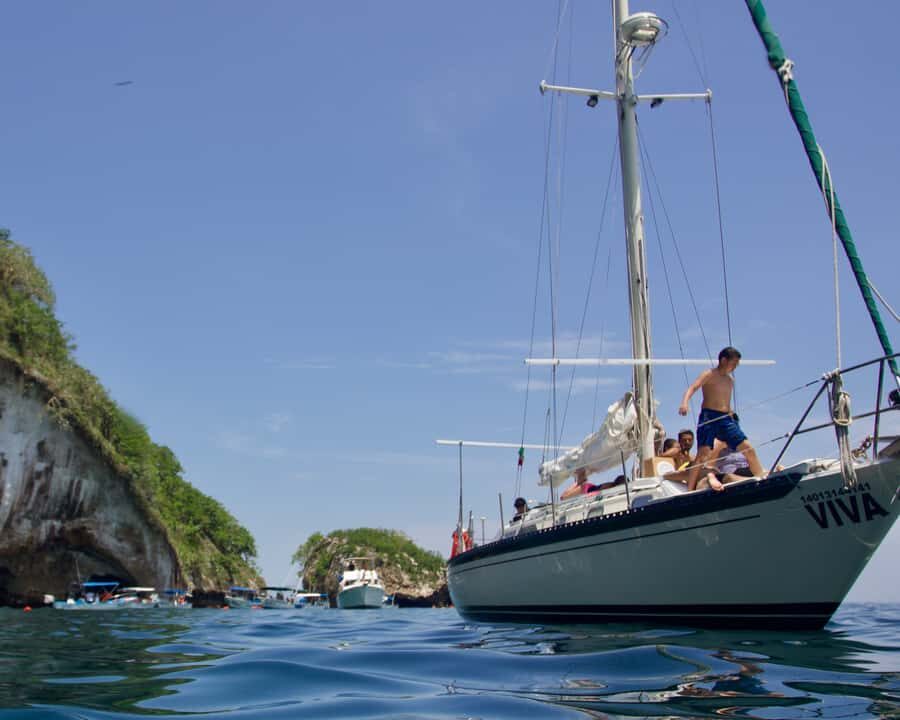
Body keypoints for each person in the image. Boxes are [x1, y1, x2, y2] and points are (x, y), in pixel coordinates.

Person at [678, 346, 764, 490]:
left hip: (726, 418)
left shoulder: (730, 380)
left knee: (748, 448)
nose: (736, 366)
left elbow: (726, 402)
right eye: (734, 363)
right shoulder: (709, 374)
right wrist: (684, 403)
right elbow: (692, 388)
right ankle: (690, 489)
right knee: (703, 455)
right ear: (724, 360)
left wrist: (733, 417)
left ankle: (761, 477)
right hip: (709, 417)